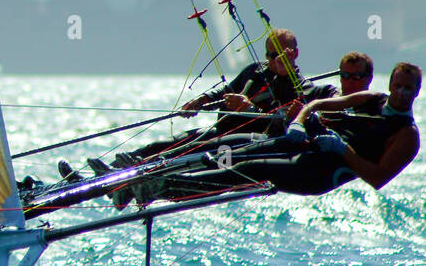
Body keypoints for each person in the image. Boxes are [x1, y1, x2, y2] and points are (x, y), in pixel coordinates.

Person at [57, 28, 334, 183]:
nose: (274, 60)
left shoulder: (302, 88)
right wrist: (201, 101)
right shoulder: (255, 71)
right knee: (166, 143)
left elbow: (282, 128)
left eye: (281, 54)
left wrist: (249, 109)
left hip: (240, 146)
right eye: (270, 54)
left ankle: (125, 179)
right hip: (218, 131)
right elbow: (225, 90)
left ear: (295, 53)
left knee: (182, 152)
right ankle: (102, 175)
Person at [144, 61, 420, 202]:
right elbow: (316, 104)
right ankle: (150, 171)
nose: (400, 92)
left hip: (319, 173)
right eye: (397, 85)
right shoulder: (373, 98)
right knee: (233, 148)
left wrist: (341, 149)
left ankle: (163, 189)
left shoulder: (407, 134)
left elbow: (377, 178)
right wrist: (299, 121)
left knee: (250, 169)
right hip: (303, 147)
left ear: (417, 91)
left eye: (408, 88)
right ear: (390, 83)